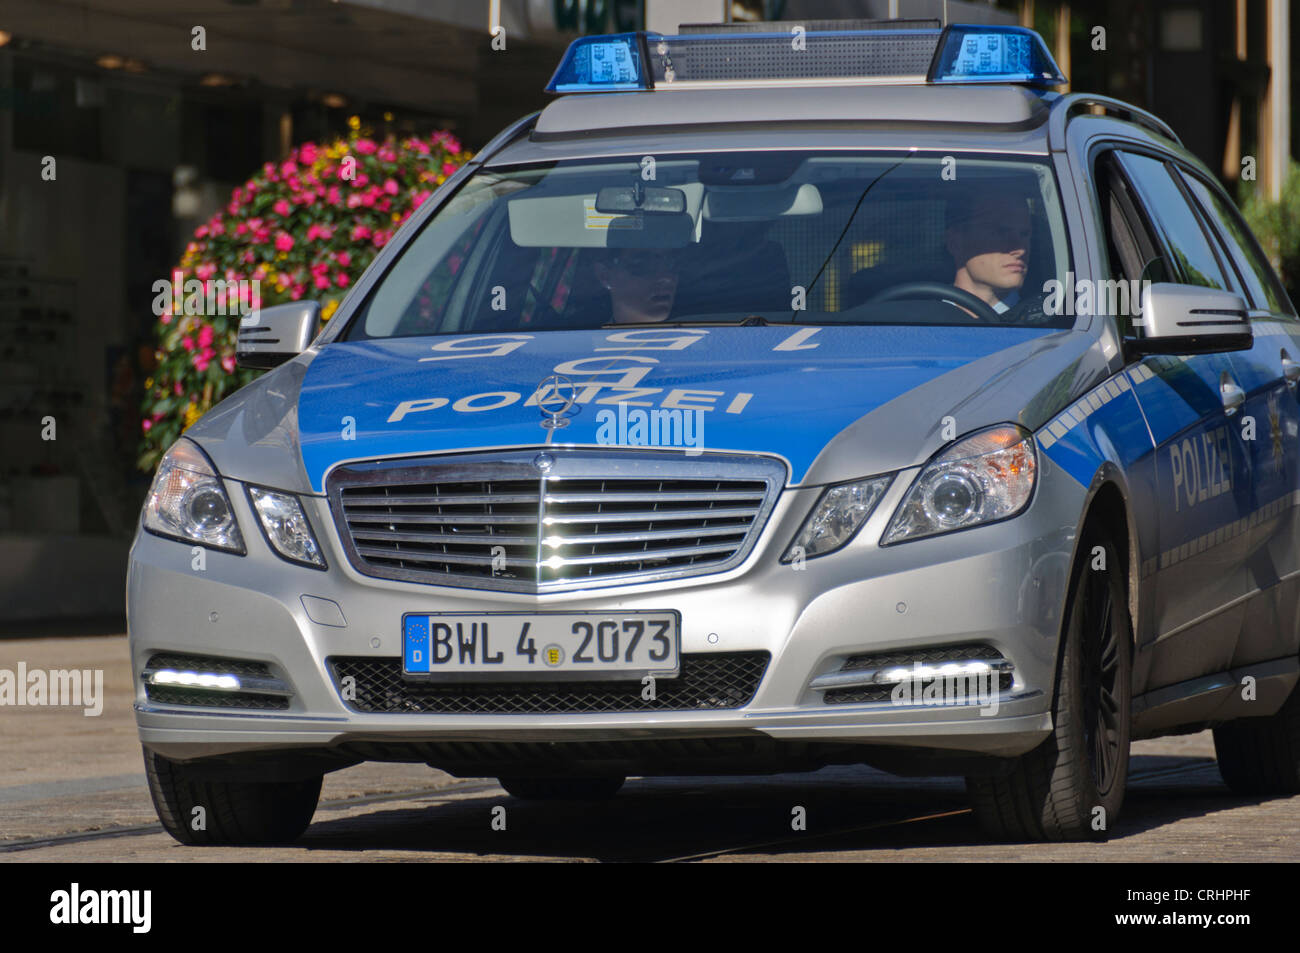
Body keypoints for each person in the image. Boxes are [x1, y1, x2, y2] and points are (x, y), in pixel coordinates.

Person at [943, 187, 1033, 318]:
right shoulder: (917, 316)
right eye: (1001, 232)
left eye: (1024, 234)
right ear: (956, 242)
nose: (1020, 248)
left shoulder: (1051, 319)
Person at [592, 247, 681, 324]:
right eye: (643, 264)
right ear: (605, 275)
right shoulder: (585, 341)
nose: (666, 278)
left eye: (672, 263)